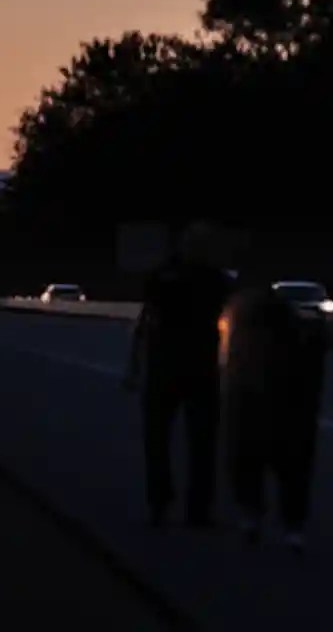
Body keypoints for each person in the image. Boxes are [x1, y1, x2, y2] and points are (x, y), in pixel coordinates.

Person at [124, 221, 234, 528]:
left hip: (198, 370)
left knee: (200, 443)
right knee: (163, 441)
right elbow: (147, 320)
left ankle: (193, 508)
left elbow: (232, 323)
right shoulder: (166, 277)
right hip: (169, 368)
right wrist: (134, 364)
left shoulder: (215, 279)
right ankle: (165, 502)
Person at [219, 283, 326, 552]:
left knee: (248, 459)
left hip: (255, 404)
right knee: (293, 467)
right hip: (290, 408)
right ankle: (291, 525)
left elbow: (230, 368)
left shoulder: (244, 332)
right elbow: (315, 376)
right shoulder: (303, 337)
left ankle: (253, 516)